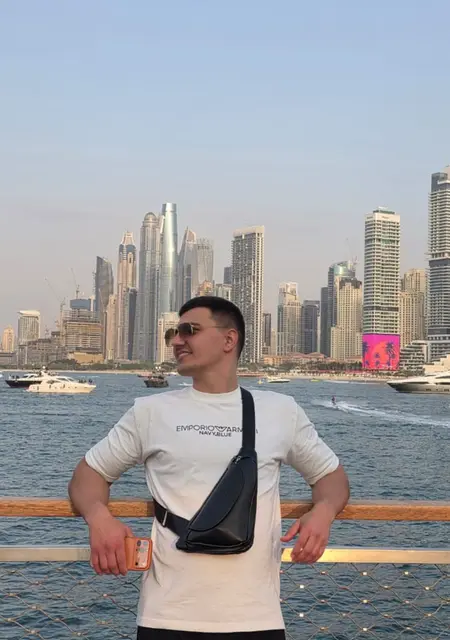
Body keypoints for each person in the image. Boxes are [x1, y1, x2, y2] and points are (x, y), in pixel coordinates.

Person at [68, 296, 350, 640]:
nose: (177, 341)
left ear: (229, 340)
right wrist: (99, 518)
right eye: (174, 333)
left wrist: (323, 512)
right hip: (166, 616)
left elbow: (331, 478)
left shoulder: (281, 411)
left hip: (256, 617)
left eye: (190, 330)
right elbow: (89, 475)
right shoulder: (150, 412)